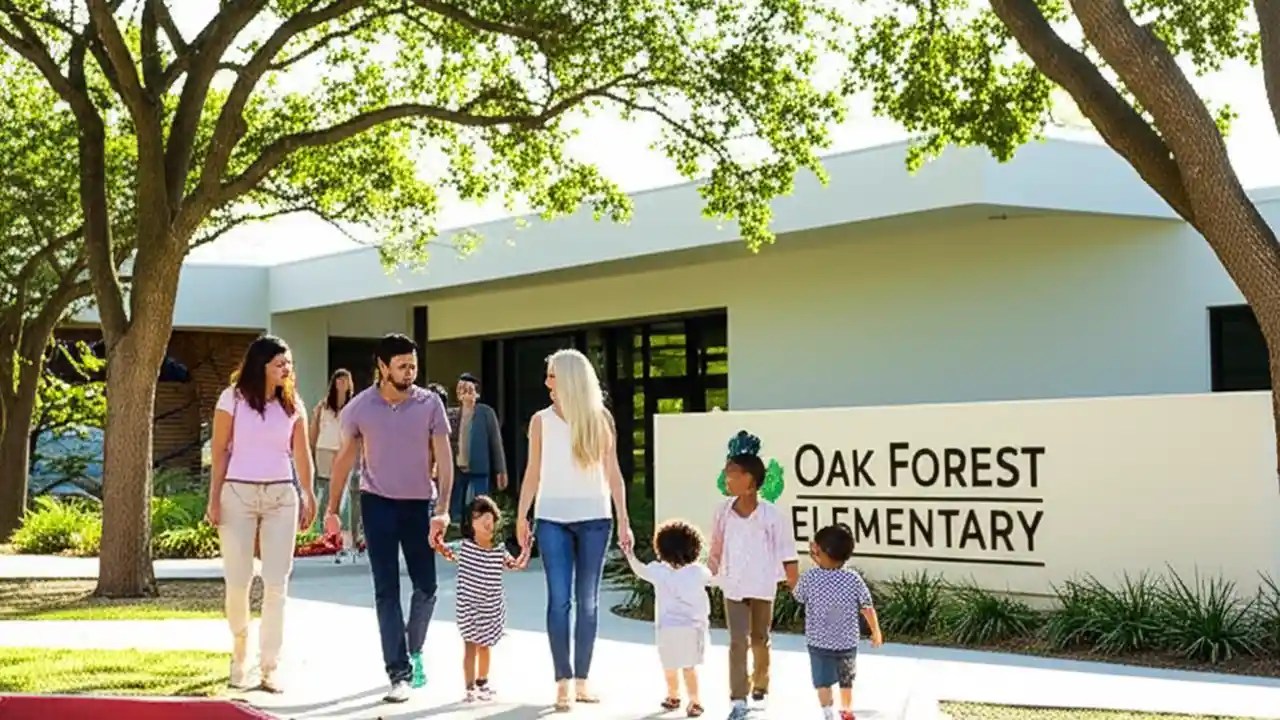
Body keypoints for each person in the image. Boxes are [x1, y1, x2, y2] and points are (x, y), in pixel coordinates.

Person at [323, 333, 454, 704]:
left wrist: (442, 509)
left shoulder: (430, 405)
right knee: (386, 590)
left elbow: (444, 460)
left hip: (418, 506)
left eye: (413, 365)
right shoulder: (360, 408)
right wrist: (331, 510)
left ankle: (413, 648)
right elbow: (344, 460)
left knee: (426, 588)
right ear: (383, 367)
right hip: (376, 503)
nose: (410, 372)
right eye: (402, 366)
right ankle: (398, 672)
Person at [515, 348, 635, 712]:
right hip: (551, 519)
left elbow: (613, 473)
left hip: (595, 519)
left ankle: (582, 681)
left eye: (551, 375)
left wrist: (624, 519)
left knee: (588, 601)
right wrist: (522, 516)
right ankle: (562, 681)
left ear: (568, 378)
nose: (546, 382)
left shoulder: (601, 419)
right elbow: (533, 471)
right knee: (558, 600)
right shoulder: (541, 421)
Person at [206, 334, 316, 693]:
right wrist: (214, 498)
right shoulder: (232, 399)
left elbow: (301, 454)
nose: (287, 369)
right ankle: (240, 651)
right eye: (279, 363)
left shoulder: (292, 404)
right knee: (238, 582)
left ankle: (269, 666)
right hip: (237, 493)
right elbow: (220, 451)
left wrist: (308, 493)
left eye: (289, 364)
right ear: (261, 365)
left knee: (276, 582)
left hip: (282, 496)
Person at [707, 431, 799, 720]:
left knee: (759, 638)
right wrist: (706, 576)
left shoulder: (772, 516)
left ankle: (761, 680)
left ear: (751, 481)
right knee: (737, 641)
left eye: (734, 474)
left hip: (762, 586)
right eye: (726, 473)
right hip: (732, 586)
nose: (728, 479)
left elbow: (788, 553)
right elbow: (715, 549)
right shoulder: (722, 513)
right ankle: (738, 699)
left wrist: (796, 585)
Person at [792, 523, 884, 720]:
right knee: (846, 680)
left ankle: (828, 713)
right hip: (847, 642)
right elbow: (867, 606)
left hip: (819, 642)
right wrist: (875, 631)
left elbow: (798, 596)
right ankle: (847, 711)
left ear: (822, 552)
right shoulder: (853, 578)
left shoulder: (810, 577)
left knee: (822, 681)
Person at [623, 519, 713, 718]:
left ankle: (673, 696)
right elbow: (715, 578)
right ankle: (695, 701)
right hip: (693, 627)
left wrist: (629, 553)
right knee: (689, 667)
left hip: (666, 627)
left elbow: (640, 569)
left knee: (669, 665)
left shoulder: (657, 570)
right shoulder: (698, 572)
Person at [437, 495, 522, 703]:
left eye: (489, 516)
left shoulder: (499, 550)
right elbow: (444, 549)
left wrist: (524, 552)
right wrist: (438, 538)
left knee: (485, 646)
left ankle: (483, 682)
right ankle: (469, 687)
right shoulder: (464, 547)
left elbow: (514, 564)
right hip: (468, 607)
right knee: (470, 646)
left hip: (491, 607)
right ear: (470, 524)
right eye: (479, 517)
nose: (486, 521)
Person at [448, 372, 509, 524]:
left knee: (479, 506)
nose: (465, 392)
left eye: (469, 389)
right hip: (457, 469)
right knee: (456, 508)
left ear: (477, 393)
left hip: (480, 468)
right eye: (461, 389)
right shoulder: (452, 414)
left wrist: (501, 470)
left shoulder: (486, 413)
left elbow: (495, 442)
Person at [310, 369, 359, 548]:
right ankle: (321, 532)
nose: (341, 384)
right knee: (324, 490)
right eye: (338, 381)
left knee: (341, 490)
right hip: (324, 450)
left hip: (343, 451)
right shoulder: (323, 406)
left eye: (345, 381)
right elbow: (314, 430)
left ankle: (341, 532)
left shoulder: (353, 406)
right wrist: (311, 449)